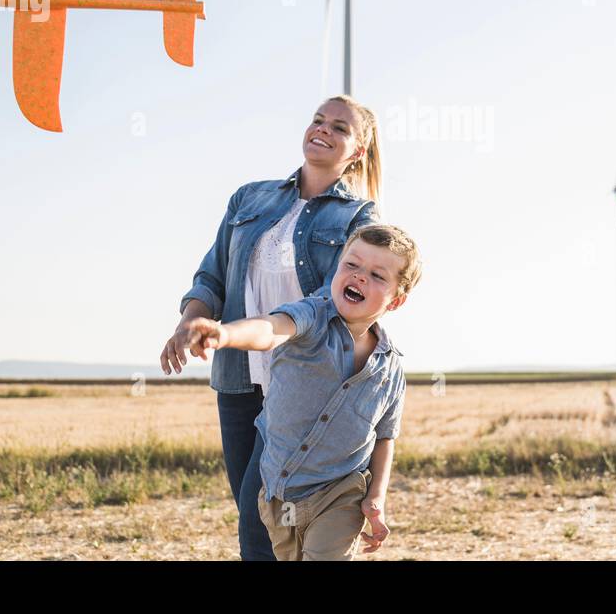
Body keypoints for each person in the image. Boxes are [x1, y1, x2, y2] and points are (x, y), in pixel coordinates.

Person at [159, 95, 382, 560]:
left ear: (357, 151)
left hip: (301, 382)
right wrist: (188, 324)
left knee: (255, 519)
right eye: (318, 119)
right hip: (238, 378)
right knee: (267, 516)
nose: (322, 129)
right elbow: (212, 277)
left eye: (339, 127)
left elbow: (327, 304)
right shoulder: (249, 198)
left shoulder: (358, 217)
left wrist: (242, 329)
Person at [172, 223, 421, 560]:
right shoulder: (310, 317)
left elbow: (384, 436)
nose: (360, 277)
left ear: (397, 300)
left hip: (340, 495)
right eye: (352, 265)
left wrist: (375, 497)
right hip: (279, 494)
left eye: (377, 275)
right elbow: (270, 328)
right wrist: (225, 334)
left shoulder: (390, 368)